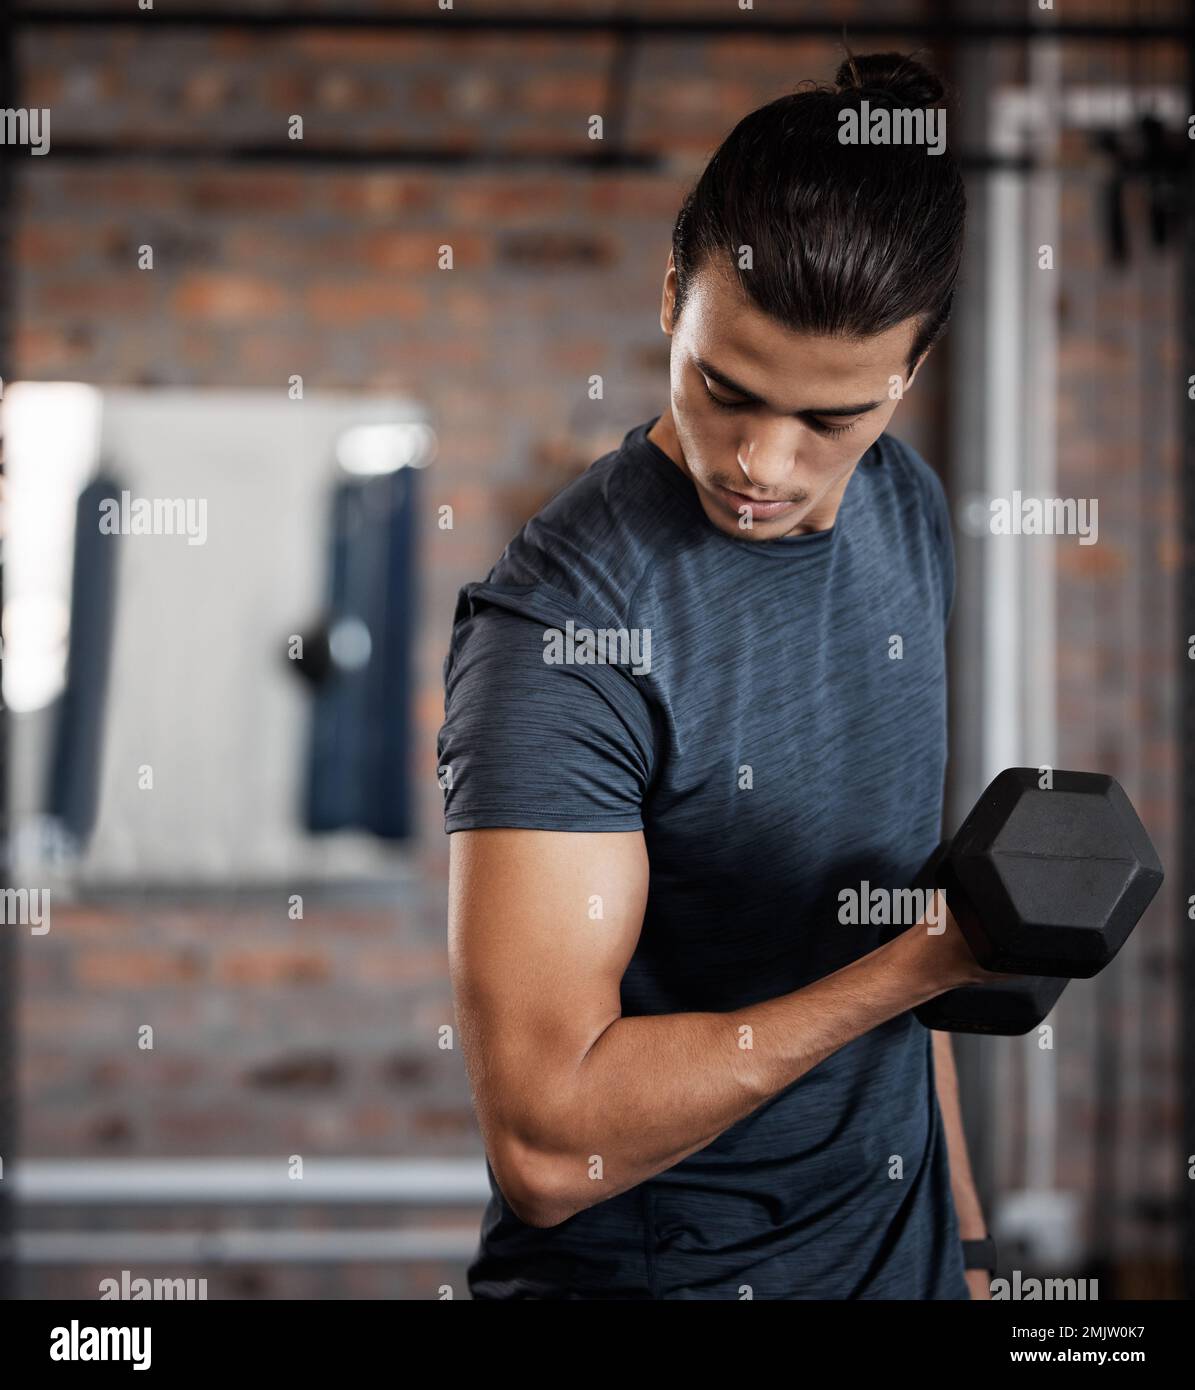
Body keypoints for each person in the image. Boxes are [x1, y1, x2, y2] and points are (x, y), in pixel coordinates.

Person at [436, 50, 995, 1299]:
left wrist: (965, 1243)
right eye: (721, 387)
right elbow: (545, 1139)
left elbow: (888, 901)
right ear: (670, 290)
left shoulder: (906, 511)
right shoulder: (561, 630)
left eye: (830, 419)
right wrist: (922, 966)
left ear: (908, 375)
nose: (760, 461)